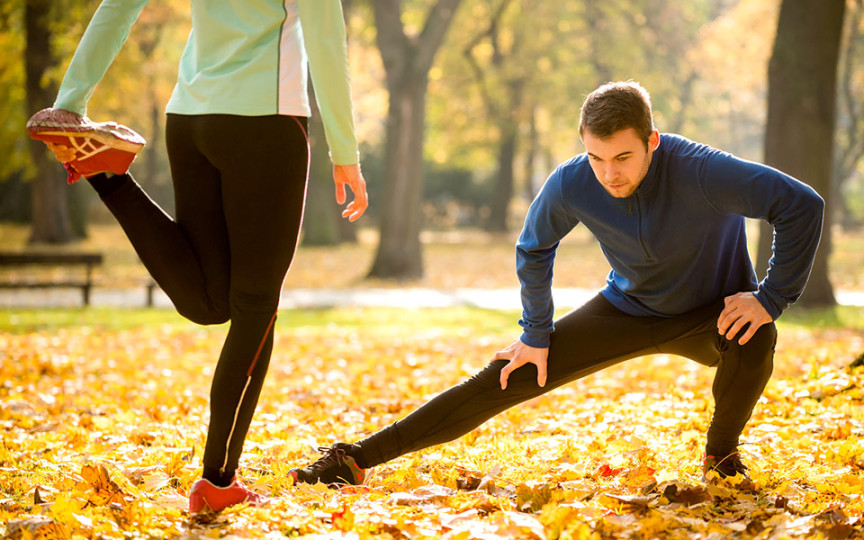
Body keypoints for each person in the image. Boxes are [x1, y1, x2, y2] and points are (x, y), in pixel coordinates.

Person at [288, 80, 824, 488]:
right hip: (628, 309)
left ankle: (721, 454)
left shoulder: (705, 171)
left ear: (652, 141)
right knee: (507, 375)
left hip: (711, 315)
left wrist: (771, 297)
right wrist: (536, 332)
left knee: (758, 337)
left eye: (623, 157)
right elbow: (534, 246)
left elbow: (800, 205)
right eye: (596, 157)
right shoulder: (572, 181)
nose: (609, 173)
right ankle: (354, 460)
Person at [26, 0, 368, 514]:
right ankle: (217, 480)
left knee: (210, 302)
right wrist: (346, 152)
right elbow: (324, 41)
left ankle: (105, 173)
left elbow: (119, 6)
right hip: (265, 124)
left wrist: (70, 102)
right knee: (257, 306)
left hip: (190, 120)